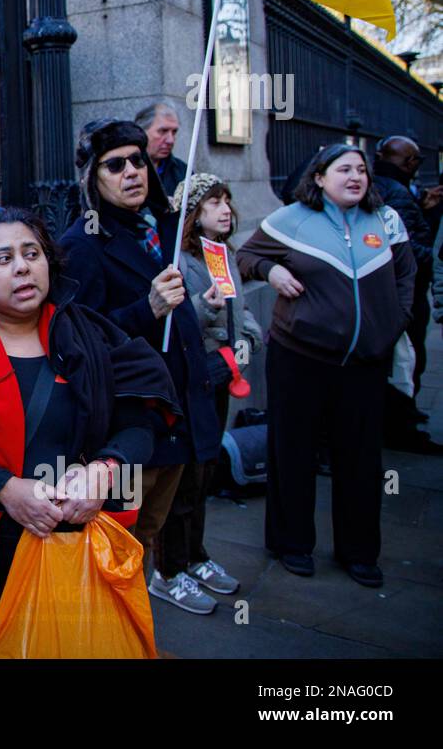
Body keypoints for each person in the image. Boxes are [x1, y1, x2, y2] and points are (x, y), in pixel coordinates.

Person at [0, 208, 178, 658]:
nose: (22, 266)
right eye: (2, 259)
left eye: (32, 254)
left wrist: (106, 469)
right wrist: (1, 488)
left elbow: (144, 420)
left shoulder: (91, 338)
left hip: (72, 558)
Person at [59, 119, 222, 616]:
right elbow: (81, 339)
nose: (132, 172)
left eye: (138, 160)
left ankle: (144, 620)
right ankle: (113, 630)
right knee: (122, 538)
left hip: (181, 410)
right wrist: (145, 309)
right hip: (133, 422)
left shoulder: (165, 230)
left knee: (159, 526)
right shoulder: (82, 244)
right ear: (92, 178)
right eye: (115, 165)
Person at [238, 143, 415, 588]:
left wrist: (394, 322)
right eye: (344, 169)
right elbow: (243, 257)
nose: (355, 176)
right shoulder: (290, 219)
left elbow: (408, 276)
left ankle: (359, 552)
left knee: (360, 458)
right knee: (292, 450)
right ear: (319, 177)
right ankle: (290, 543)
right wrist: (270, 271)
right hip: (299, 356)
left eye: (361, 170)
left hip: (364, 362)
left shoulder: (387, 220)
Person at [169, 173, 263, 594]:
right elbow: (176, 317)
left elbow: (238, 308)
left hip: (224, 374)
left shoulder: (223, 252)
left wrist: (250, 334)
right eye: (213, 202)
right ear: (192, 212)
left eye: (227, 200)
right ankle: (173, 566)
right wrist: (203, 309)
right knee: (186, 474)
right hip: (196, 376)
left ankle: (197, 554)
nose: (225, 209)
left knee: (205, 470)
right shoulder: (179, 260)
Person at [372, 136, 443, 454]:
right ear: (409, 162)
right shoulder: (396, 191)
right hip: (406, 290)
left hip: (393, 290)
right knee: (408, 358)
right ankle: (402, 428)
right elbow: (404, 247)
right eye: (415, 159)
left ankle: (400, 420)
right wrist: (437, 255)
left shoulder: (387, 186)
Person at [136, 102, 186, 198]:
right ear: (141, 131)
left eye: (174, 132)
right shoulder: (126, 169)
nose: (170, 140)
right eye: (163, 131)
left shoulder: (182, 171)